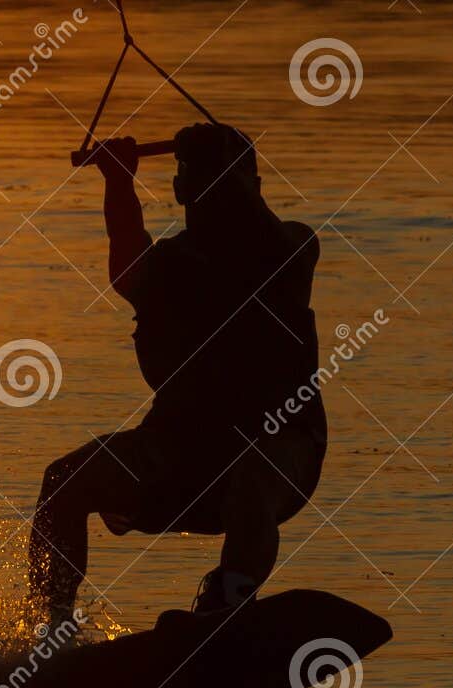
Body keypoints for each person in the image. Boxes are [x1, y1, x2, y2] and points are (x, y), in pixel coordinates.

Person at [28, 123, 325, 630]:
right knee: (64, 482)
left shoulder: (291, 248)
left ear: (255, 189)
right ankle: (50, 627)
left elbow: (266, 234)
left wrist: (225, 166)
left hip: (281, 451)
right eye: (211, 183)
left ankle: (227, 603)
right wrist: (118, 181)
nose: (230, 199)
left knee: (251, 475)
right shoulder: (168, 268)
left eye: (240, 183)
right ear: (184, 191)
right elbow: (126, 260)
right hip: (182, 456)